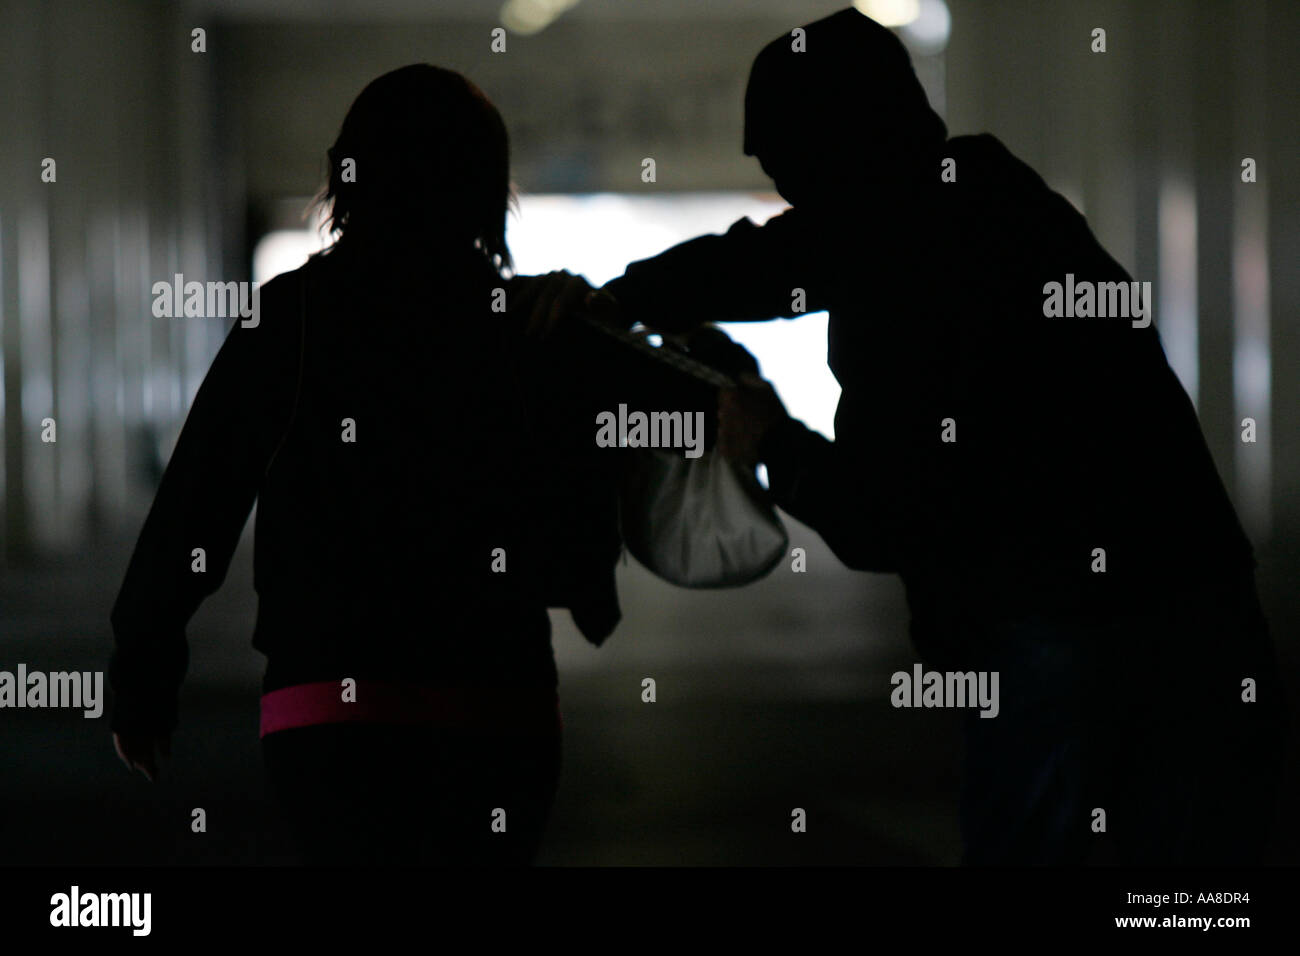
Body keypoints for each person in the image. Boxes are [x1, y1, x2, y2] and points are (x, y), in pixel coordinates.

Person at [519, 9, 1288, 865]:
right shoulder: (981, 196)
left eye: (791, 171)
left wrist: (771, 440)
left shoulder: (920, 245)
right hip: (1199, 613)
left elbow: (887, 516)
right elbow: (779, 261)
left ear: (834, 150)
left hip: (1059, 635)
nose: (786, 196)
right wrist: (625, 301)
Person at [107, 64, 706, 865]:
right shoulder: (533, 324)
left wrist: (144, 669)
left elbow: (196, 507)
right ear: (491, 188)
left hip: (326, 708)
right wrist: (607, 311)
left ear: (344, 175)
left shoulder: (290, 321)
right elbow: (702, 409)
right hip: (501, 703)